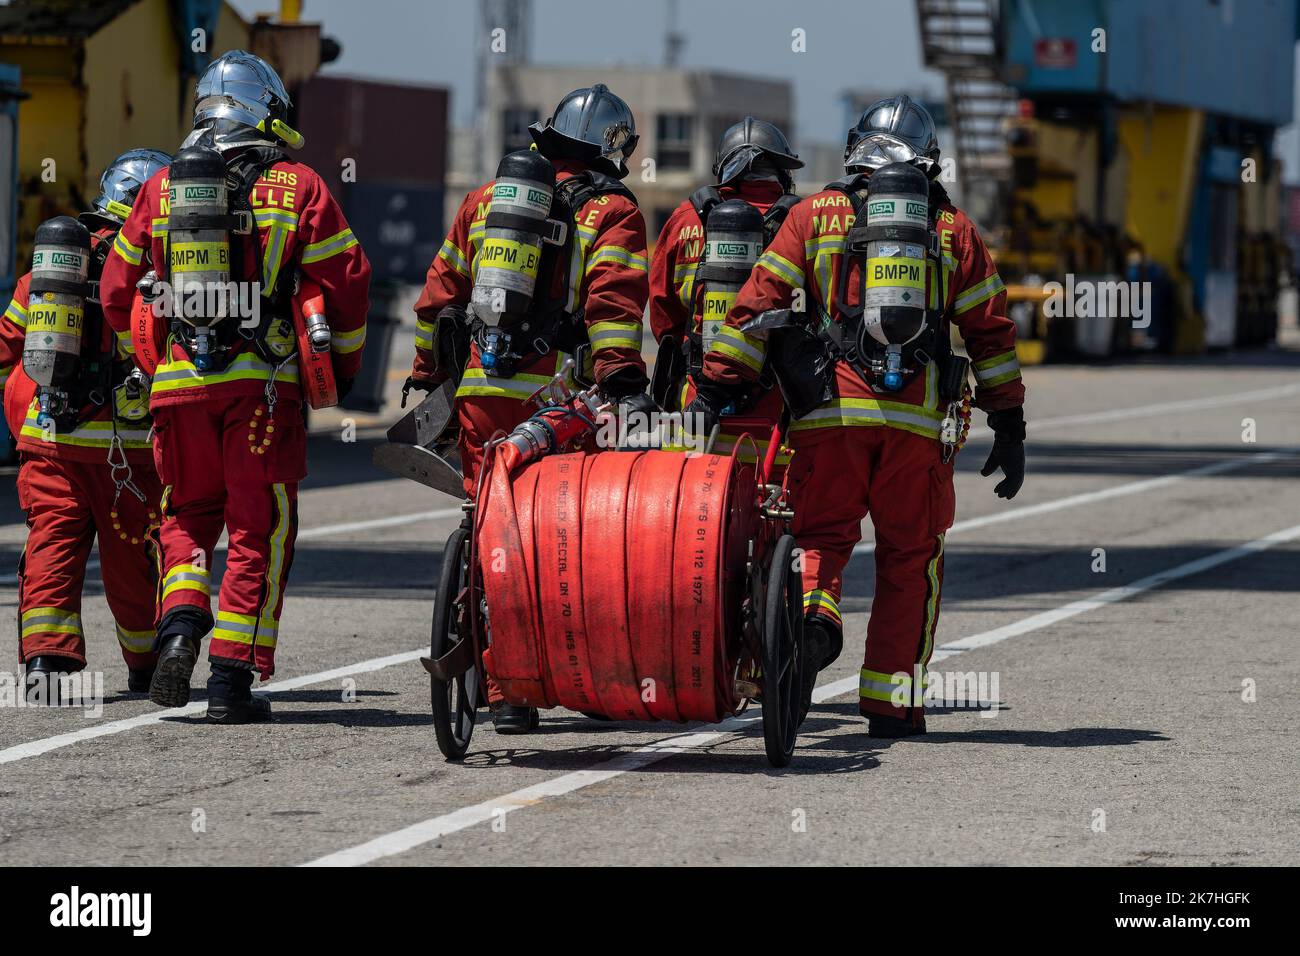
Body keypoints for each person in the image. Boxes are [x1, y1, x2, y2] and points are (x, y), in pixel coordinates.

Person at [690, 94, 1026, 738]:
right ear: (928, 161)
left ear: (853, 153)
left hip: (828, 419)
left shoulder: (813, 215)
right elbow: (991, 335)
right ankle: (892, 705)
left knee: (819, 538)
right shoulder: (952, 231)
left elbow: (754, 305)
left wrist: (717, 385)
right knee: (911, 557)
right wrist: (1008, 427)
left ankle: (815, 621)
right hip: (916, 430)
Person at [100, 51, 372, 723]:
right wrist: (339, 371)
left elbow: (115, 292)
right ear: (267, 114)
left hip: (177, 387)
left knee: (186, 516)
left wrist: (161, 355)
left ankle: (182, 626)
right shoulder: (299, 186)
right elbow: (349, 284)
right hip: (263, 390)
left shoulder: (159, 188)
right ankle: (230, 679)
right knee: (260, 526)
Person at [404, 84, 653, 735]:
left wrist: (427, 378)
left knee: (494, 531)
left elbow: (440, 295)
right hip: (557, 402)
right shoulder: (613, 211)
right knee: (564, 540)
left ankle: (503, 688)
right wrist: (622, 379)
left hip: (480, 392)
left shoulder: (487, 199)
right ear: (611, 148)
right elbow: (614, 304)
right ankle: (562, 681)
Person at [1, 149, 170, 700]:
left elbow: (8, 344)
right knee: (132, 556)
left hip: (48, 440)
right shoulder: (153, 267)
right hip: (126, 450)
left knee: (52, 543)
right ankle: (146, 665)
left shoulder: (50, 270)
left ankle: (47, 663)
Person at [648, 116, 802, 465]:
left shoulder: (685, 219)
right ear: (781, 171)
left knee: (692, 511)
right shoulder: (800, 222)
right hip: (777, 419)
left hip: (697, 411)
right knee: (774, 512)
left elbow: (663, 315)